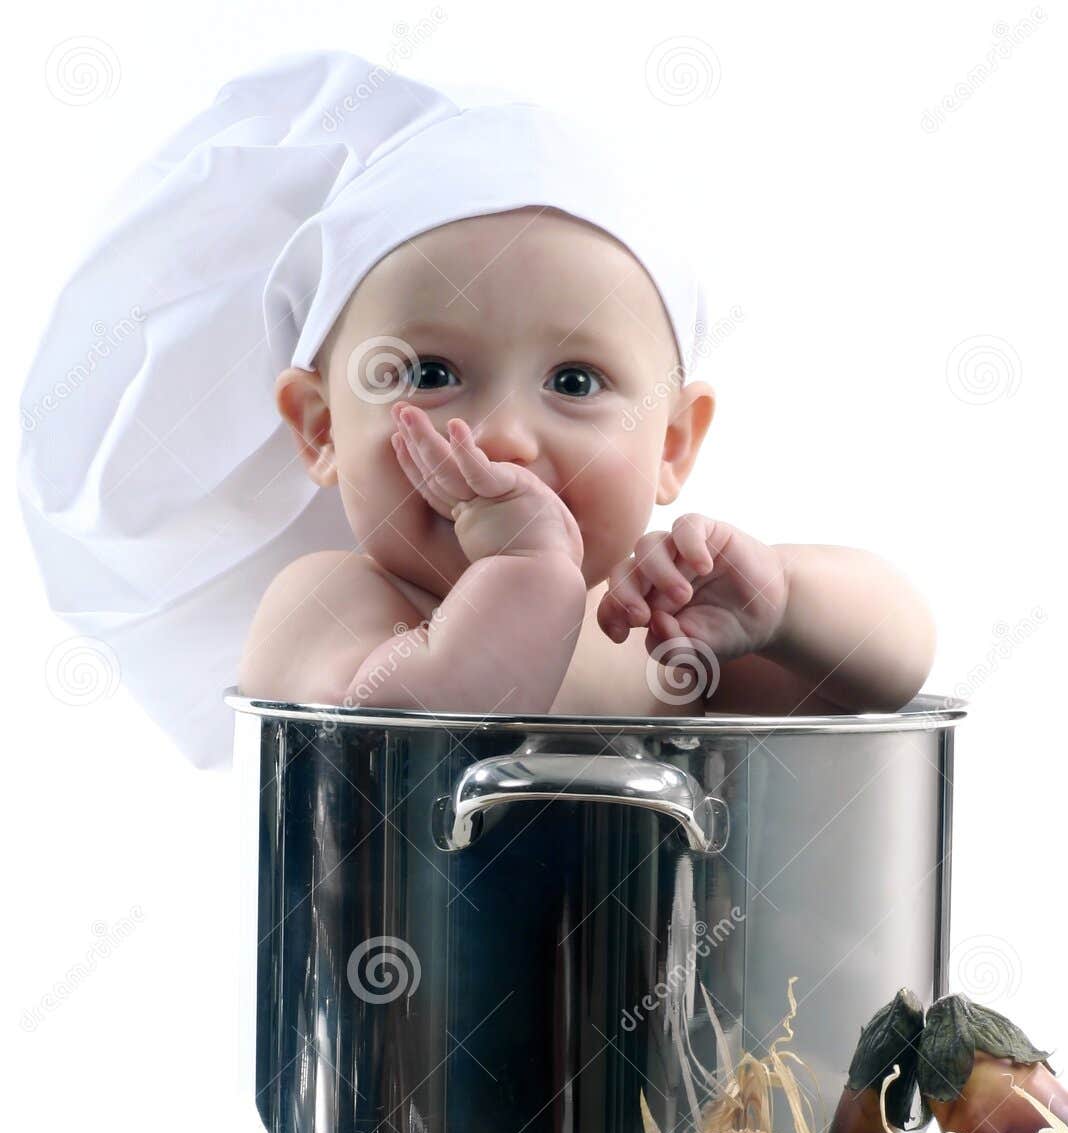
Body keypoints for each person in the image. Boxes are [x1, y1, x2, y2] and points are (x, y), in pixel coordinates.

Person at [19, 51, 935, 766]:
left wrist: (787, 600)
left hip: (672, 1010)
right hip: (390, 1007)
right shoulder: (329, 608)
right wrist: (531, 565)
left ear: (672, 442)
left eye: (575, 382)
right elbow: (421, 728)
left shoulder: (652, 637)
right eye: (428, 373)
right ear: (322, 426)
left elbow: (884, 679)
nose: (501, 433)